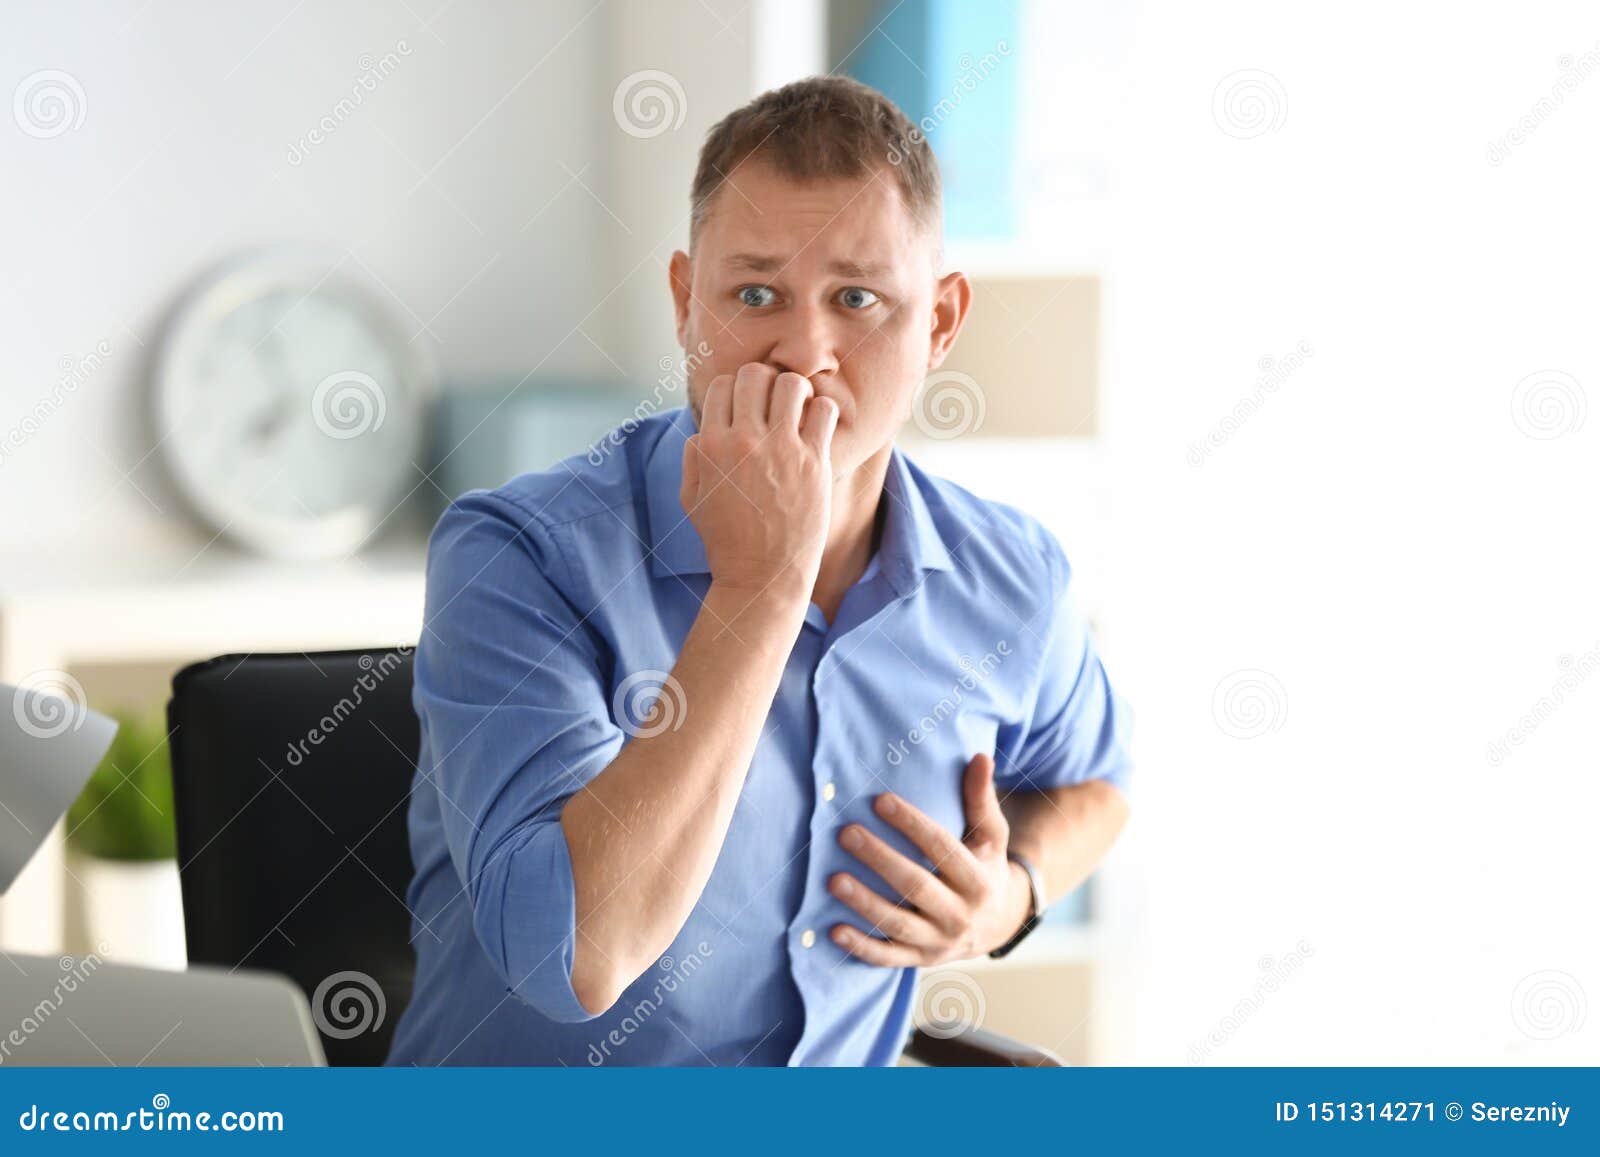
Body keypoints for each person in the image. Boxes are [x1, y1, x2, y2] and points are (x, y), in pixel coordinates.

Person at [386, 75, 1133, 1067]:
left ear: (941, 323)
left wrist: (1009, 898)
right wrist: (760, 585)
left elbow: (1096, 781)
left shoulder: (1012, 575)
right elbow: (578, 958)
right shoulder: (519, 555)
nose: (803, 351)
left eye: (858, 299)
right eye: (754, 295)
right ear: (683, 303)